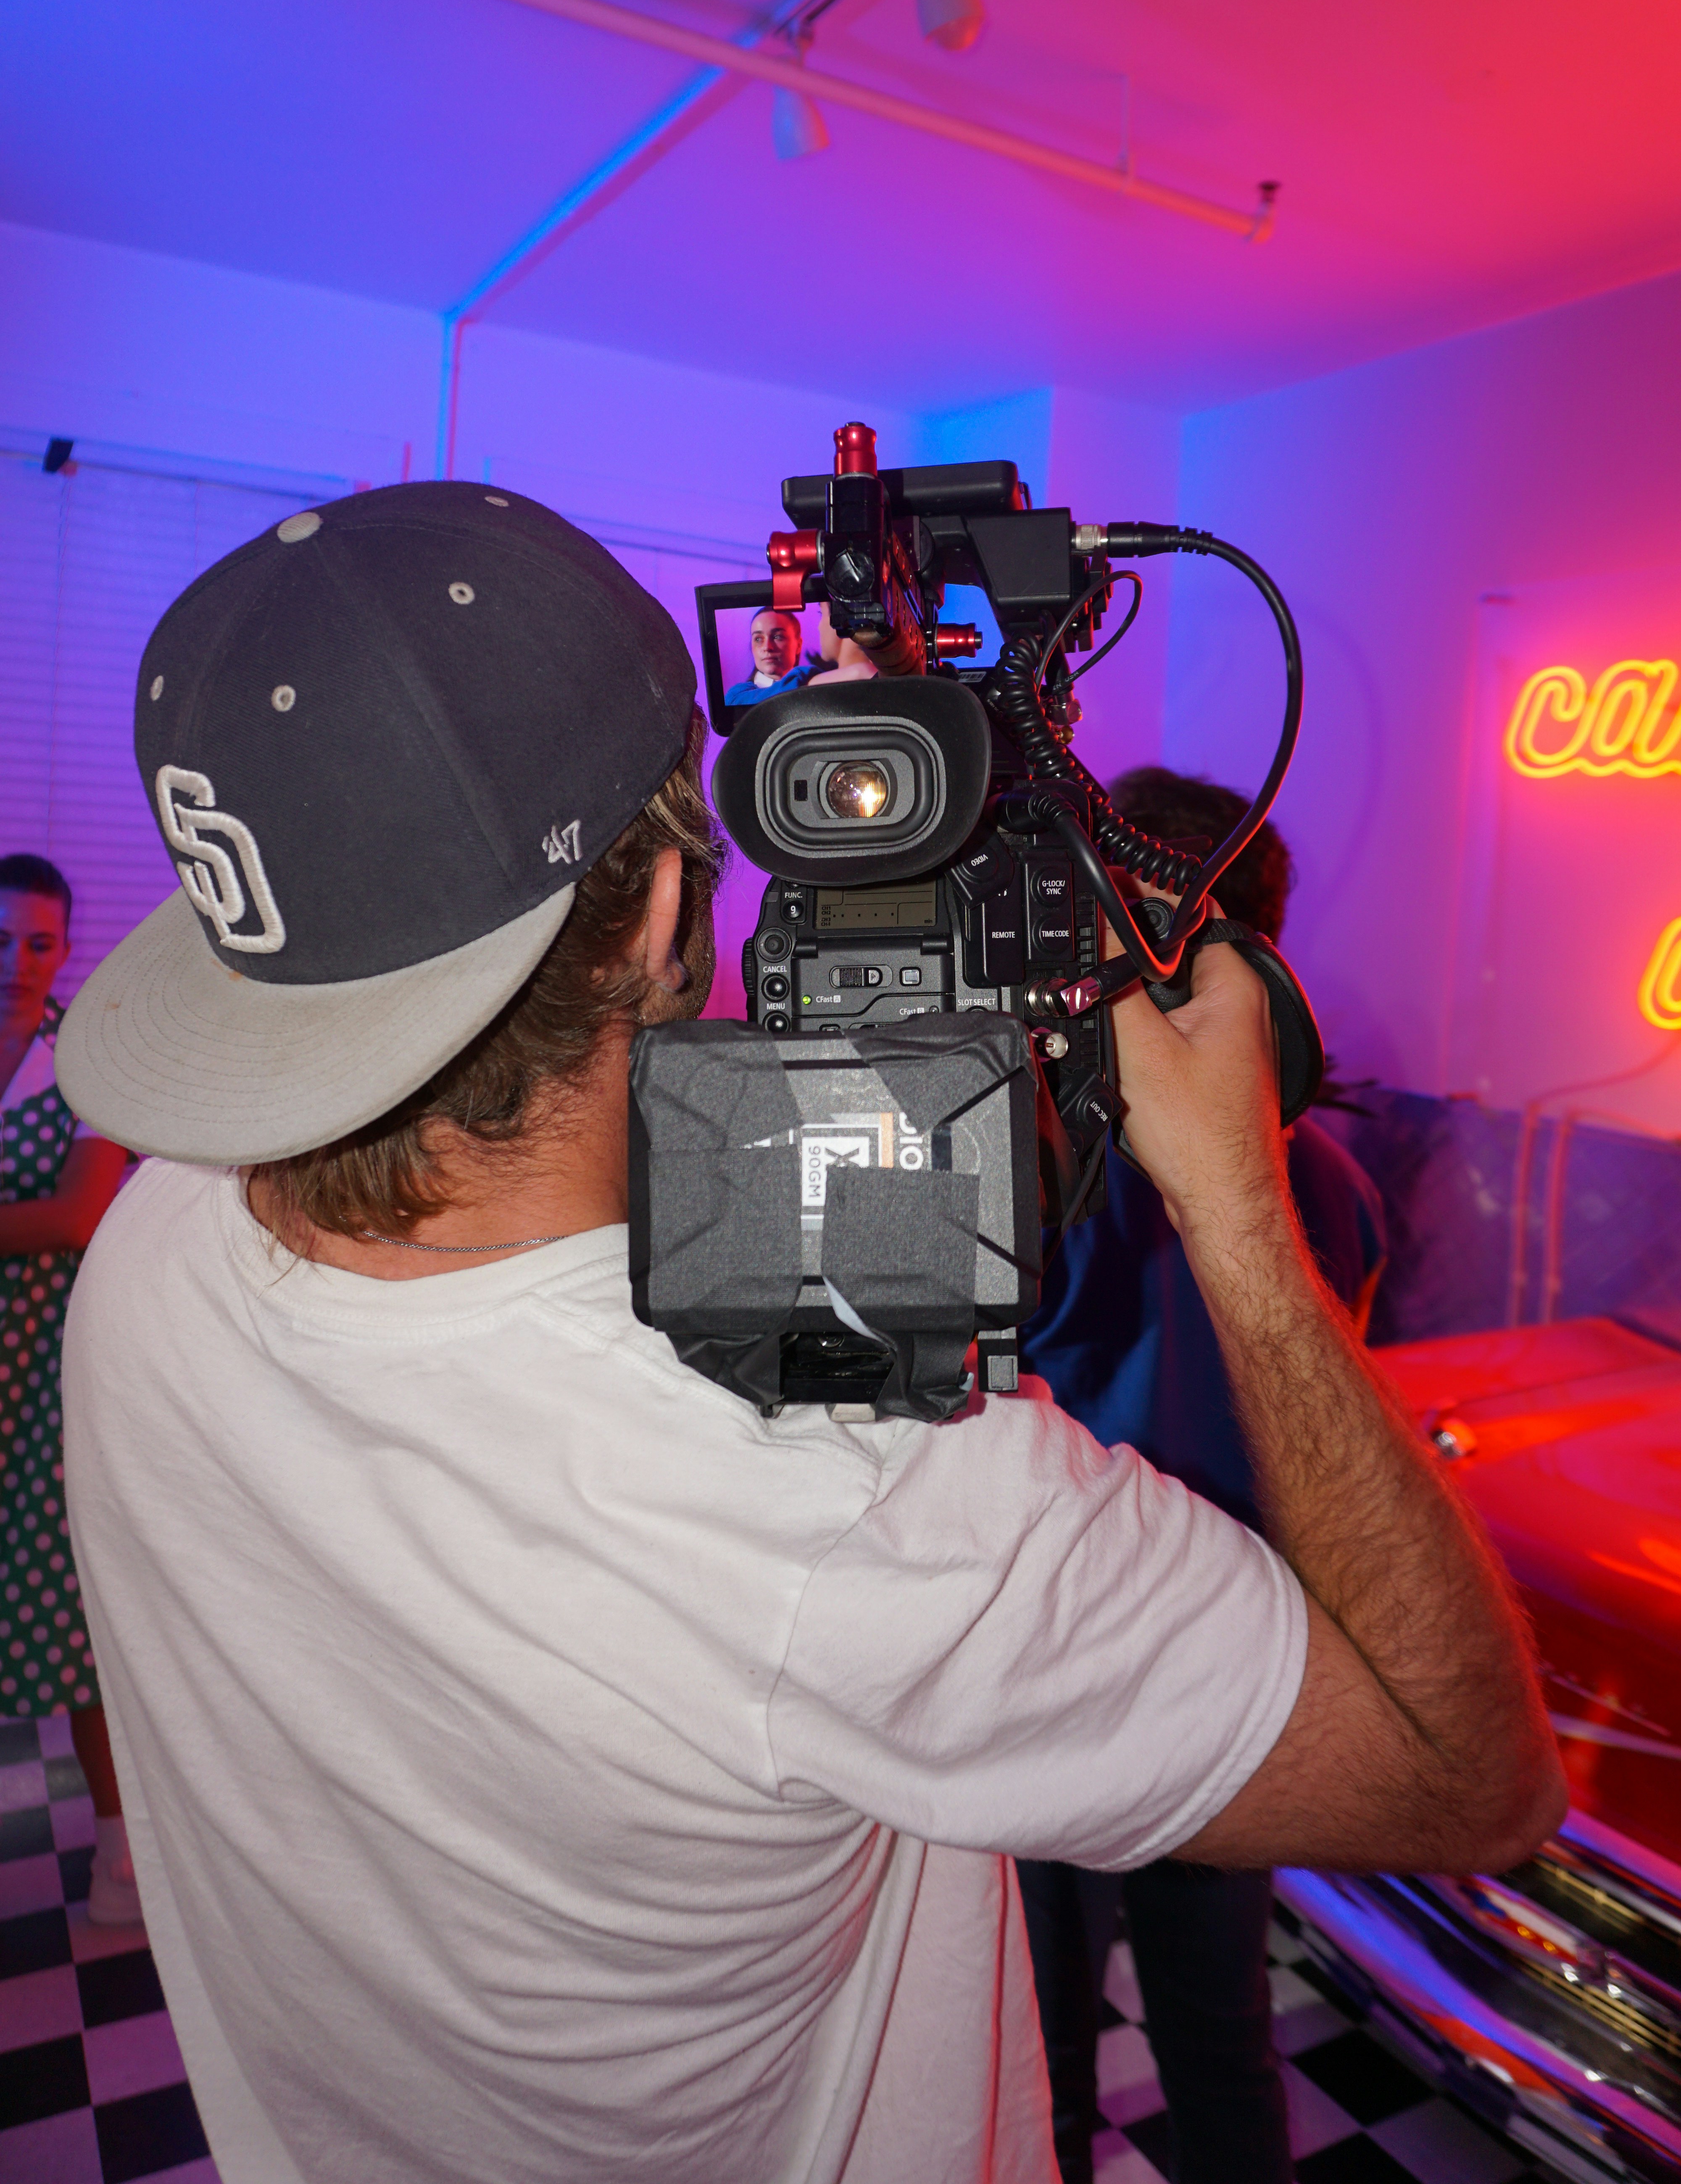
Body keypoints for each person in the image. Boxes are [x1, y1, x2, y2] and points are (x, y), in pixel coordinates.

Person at [57, 483, 1561, 2184]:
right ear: (655, 915)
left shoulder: (150, 1252)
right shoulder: (840, 1490)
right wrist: (1236, 1210)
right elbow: (1471, 1779)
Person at [1018, 769, 1388, 2184]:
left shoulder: (1055, 1174)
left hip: (1070, 1663)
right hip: (1239, 1671)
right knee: (1219, 2033)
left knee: (1044, 2050)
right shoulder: (1337, 1181)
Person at [0, 854, 132, 1918]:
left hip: (43, 1377)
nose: (18, 963)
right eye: (3, 940)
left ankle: (121, 1856)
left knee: (67, 1608)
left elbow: (79, 1216)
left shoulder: (87, 1063)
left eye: (39, 943)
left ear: (64, 952)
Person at [723, 604, 807, 705]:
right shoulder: (737, 697)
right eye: (758, 639)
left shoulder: (811, 688)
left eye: (778, 637)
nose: (767, 647)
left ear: (799, 645)